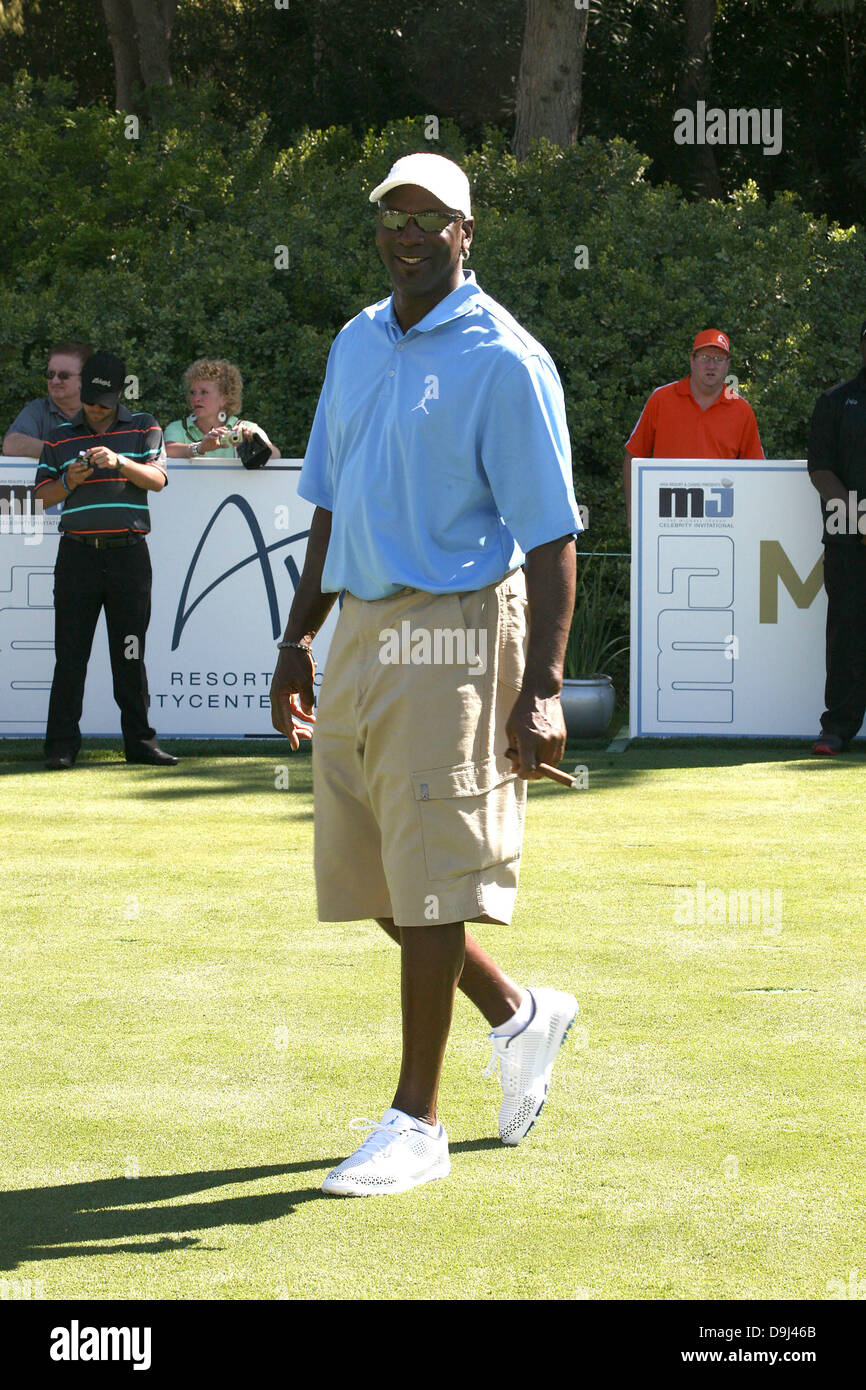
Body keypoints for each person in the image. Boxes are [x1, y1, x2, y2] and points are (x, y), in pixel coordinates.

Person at [270, 152, 583, 1198]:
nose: (407, 233)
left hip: (452, 628)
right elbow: (326, 498)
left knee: (434, 867)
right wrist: (295, 637)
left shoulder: (506, 358)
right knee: (371, 875)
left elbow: (549, 536)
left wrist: (539, 686)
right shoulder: (355, 340)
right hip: (358, 626)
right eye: (391, 217)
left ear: (465, 230)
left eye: (429, 217)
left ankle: (417, 1121)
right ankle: (517, 1013)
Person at [34, 351, 178, 770]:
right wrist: (67, 481)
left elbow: (158, 480)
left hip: (128, 557)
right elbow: (39, 496)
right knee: (70, 655)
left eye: (104, 401)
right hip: (77, 555)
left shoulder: (143, 425)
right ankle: (61, 746)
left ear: (119, 394)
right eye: (91, 400)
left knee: (130, 655)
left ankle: (140, 742)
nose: (96, 409)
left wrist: (119, 461)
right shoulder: (59, 435)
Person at [622, 329, 764, 527]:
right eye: (705, 357)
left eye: (719, 359)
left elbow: (756, 473)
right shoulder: (661, 399)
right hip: (665, 517)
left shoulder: (742, 409)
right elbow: (633, 457)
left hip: (721, 520)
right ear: (692, 360)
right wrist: (634, 511)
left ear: (727, 365)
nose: (711, 365)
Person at [807, 321, 866, 755]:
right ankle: (838, 727)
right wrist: (859, 519)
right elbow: (822, 470)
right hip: (849, 540)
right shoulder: (834, 401)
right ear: (861, 345)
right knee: (846, 632)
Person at [163, 359, 279, 466]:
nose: (196, 398)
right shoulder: (178, 428)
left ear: (224, 399)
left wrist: (254, 441)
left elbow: (275, 455)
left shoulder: (245, 427)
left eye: (204, 392)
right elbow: (167, 451)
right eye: (192, 392)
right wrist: (200, 448)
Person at [3, 340, 93, 458]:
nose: (54, 381)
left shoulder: (102, 411)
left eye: (64, 376)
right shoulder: (38, 409)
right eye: (50, 374)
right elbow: (11, 444)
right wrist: (64, 451)